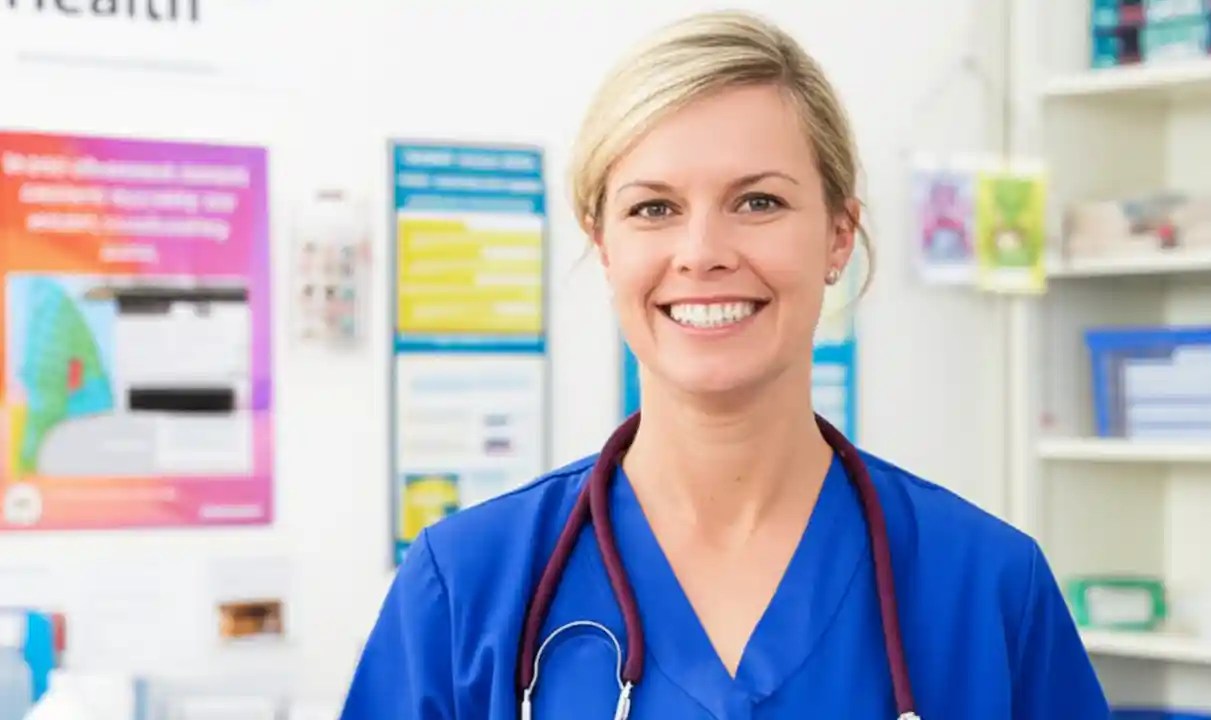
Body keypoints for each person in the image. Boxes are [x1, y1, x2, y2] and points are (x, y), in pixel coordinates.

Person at [340, 10, 1110, 719]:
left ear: (839, 236)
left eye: (758, 202)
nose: (703, 252)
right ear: (604, 246)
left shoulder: (988, 589)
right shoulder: (465, 589)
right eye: (653, 208)